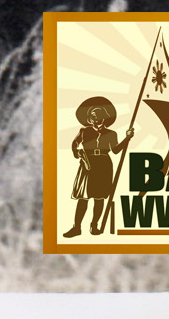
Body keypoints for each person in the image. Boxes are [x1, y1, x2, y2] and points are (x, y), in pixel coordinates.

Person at [65, 96, 133, 237]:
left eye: (100, 115)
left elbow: (115, 150)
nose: (97, 118)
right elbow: (74, 143)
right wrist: (76, 153)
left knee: (99, 198)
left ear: (104, 117)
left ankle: (94, 226)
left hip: (104, 164)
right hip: (87, 163)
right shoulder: (84, 131)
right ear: (90, 118)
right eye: (94, 116)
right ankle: (76, 227)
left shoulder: (111, 133)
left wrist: (127, 138)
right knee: (83, 198)